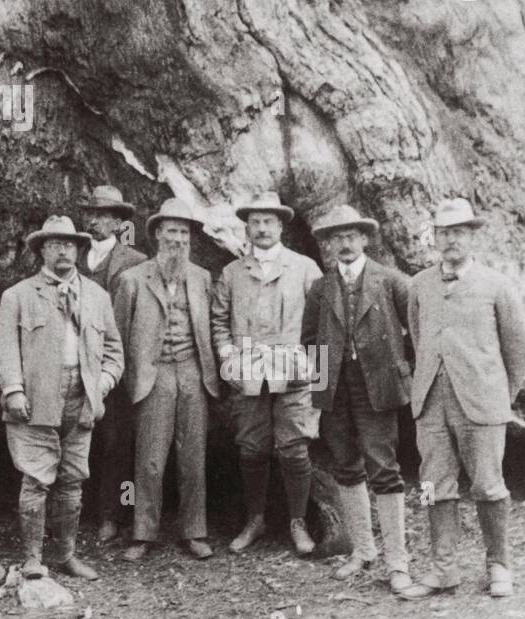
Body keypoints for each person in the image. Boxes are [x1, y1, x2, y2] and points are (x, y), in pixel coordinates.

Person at [399, 199, 525, 600]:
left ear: (473, 236)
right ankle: (444, 570)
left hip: (482, 402)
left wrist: (500, 395)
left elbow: (519, 347)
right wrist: (428, 382)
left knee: (489, 486)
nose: (450, 239)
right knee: (433, 486)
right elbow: (419, 338)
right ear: (434, 237)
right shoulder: (420, 284)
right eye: (443, 232)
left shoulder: (496, 284)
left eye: (458, 232)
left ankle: (498, 566)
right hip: (431, 402)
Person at [0, 215, 124, 581]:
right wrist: (13, 391)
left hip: (82, 397)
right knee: (36, 480)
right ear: (41, 251)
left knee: (71, 480)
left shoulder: (98, 297)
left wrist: (100, 387)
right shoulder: (17, 296)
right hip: (35, 399)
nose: (64, 250)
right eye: (54, 244)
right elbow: (5, 351)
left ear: (80, 250)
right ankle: (33, 558)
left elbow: (114, 352)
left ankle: (67, 555)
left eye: (70, 244)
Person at [302, 204, 416, 593]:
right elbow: (309, 343)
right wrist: (319, 393)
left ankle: (398, 562)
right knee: (346, 466)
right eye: (337, 238)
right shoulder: (320, 287)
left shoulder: (390, 282)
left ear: (365, 239)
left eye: (351, 236)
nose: (345, 244)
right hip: (335, 389)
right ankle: (363, 550)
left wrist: (404, 374)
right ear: (329, 245)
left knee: (382, 467)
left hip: (377, 388)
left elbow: (417, 333)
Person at [211, 191, 322, 555]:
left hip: (296, 374)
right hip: (249, 372)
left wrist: (317, 381)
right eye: (255, 222)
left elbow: (322, 324)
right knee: (252, 448)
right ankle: (256, 519)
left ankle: (298, 522)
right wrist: (231, 363)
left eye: (268, 221)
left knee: (293, 449)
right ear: (246, 227)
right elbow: (219, 323)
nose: (261, 228)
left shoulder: (305, 268)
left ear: (281, 226)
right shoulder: (231, 273)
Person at [113, 199, 218, 562]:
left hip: (192, 370)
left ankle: (195, 532)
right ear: (157, 233)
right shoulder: (132, 280)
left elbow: (212, 330)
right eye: (171, 231)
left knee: (193, 457)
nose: (178, 239)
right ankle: (144, 533)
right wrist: (130, 381)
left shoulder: (203, 278)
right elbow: (119, 336)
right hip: (153, 373)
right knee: (151, 460)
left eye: (184, 232)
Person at [78, 185, 147, 542]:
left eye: (103, 215)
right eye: (90, 213)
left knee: (116, 442)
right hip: (74, 365)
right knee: (75, 437)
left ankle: (113, 514)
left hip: (116, 367)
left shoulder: (135, 262)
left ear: (119, 222)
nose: (94, 220)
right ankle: (74, 512)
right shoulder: (71, 257)